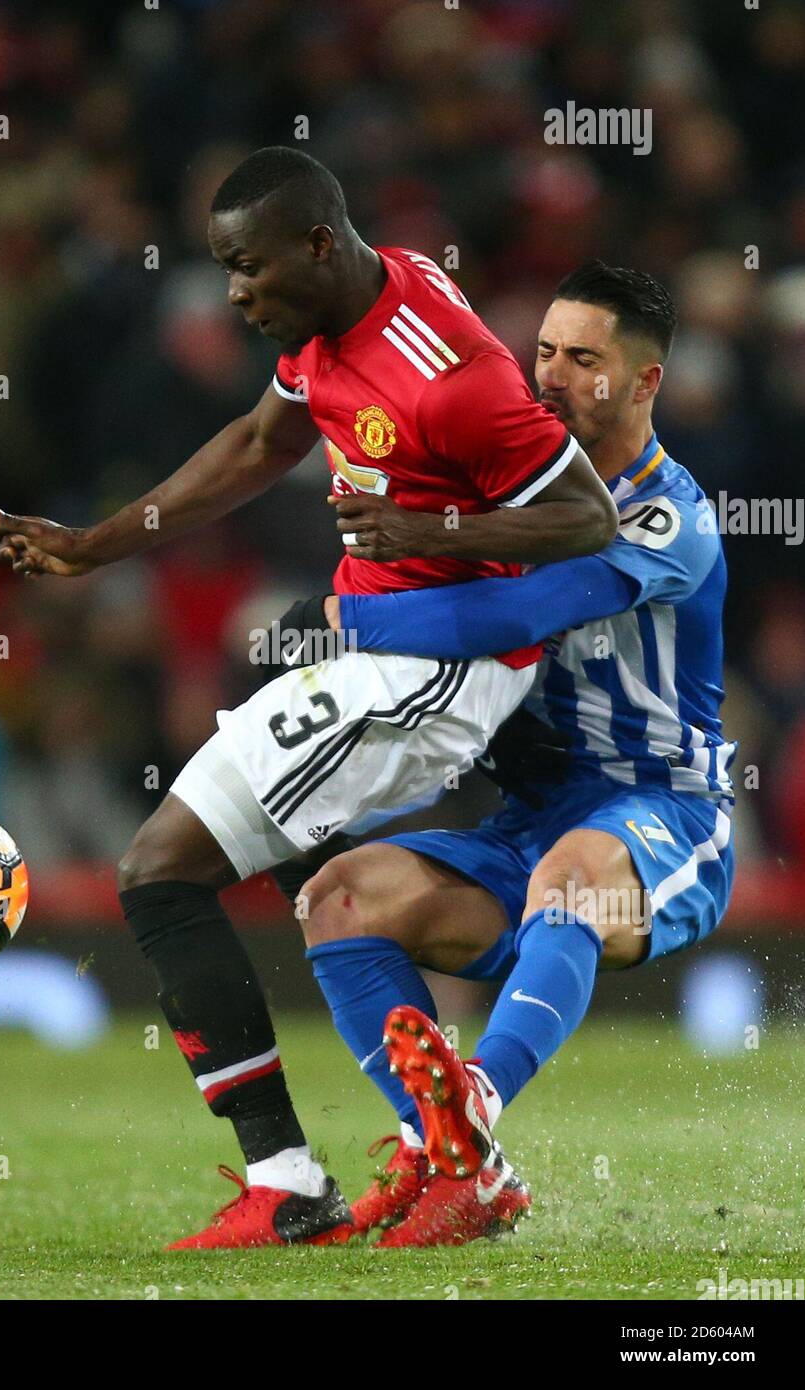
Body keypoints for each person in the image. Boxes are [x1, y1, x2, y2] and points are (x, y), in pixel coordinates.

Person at [0, 148, 617, 1249]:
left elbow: (586, 515)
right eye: (224, 270)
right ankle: (455, 1151)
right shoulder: (328, 327)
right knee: (321, 889)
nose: (235, 292)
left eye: (247, 267)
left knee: (158, 872)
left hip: (437, 672)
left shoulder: (449, 375)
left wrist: (435, 533)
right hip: (379, 654)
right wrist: (98, 544)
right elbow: (260, 443)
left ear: (319, 245)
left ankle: (284, 1180)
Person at [289, 262, 736, 1246]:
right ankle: (459, 1165)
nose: (552, 377)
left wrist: (347, 618)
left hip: (663, 813)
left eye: (585, 359)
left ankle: (475, 1103)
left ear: (646, 382)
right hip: (527, 823)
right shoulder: (502, 497)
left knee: (573, 874)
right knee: (338, 898)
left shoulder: (669, 517)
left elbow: (530, 606)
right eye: (541, 352)